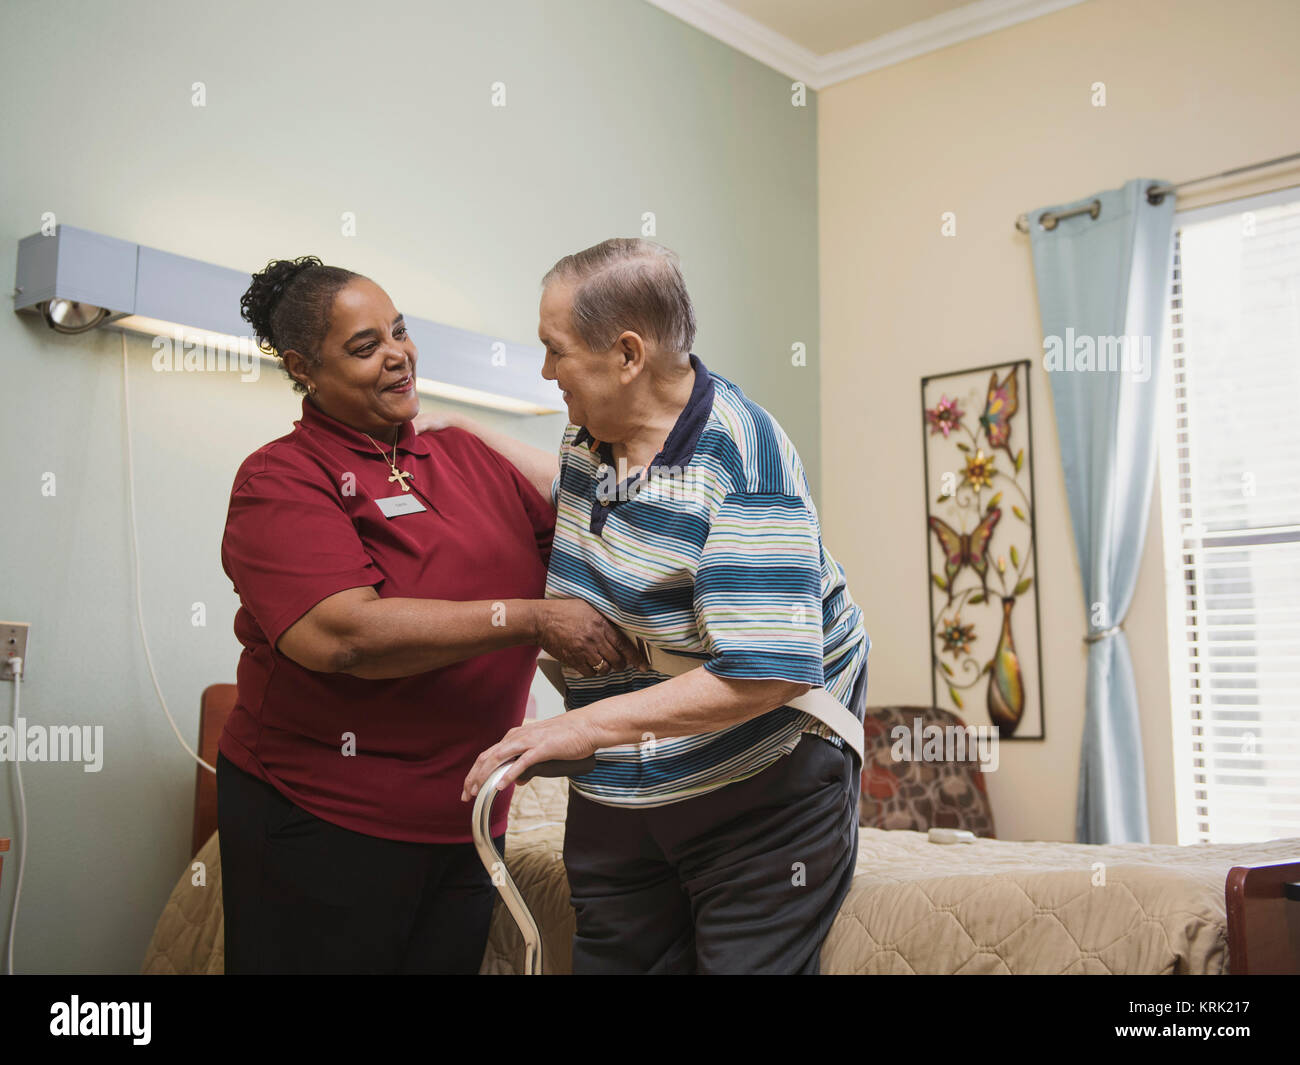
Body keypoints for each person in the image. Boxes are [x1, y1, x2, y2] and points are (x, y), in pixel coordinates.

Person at [442, 238, 871, 974]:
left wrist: (572, 728)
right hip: (624, 785)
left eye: (556, 350)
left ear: (629, 355)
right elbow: (606, 500)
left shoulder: (744, 462)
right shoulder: (592, 433)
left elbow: (766, 674)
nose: (545, 372)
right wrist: (464, 435)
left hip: (759, 779)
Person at [216, 255, 644, 974]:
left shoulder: (467, 457)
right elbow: (343, 634)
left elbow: (586, 556)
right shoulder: (282, 478)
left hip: (470, 821)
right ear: (302, 367)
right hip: (320, 817)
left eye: (400, 332)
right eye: (364, 346)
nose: (397, 355)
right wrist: (531, 619)